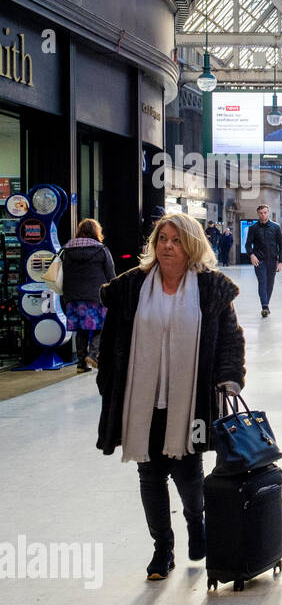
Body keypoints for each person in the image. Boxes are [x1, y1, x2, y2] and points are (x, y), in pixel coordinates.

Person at [96, 213, 245, 580]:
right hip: (141, 401)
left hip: (191, 399)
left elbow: (230, 339)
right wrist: (109, 381)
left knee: (189, 474)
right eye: (162, 239)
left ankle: (197, 523)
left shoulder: (210, 289)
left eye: (176, 240)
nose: (166, 246)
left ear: (191, 245)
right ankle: (162, 549)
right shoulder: (132, 287)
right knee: (150, 476)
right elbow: (111, 338)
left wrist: (229, 378)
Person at [60, 218, 117, 371]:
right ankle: (93, 353)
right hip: (96, 295)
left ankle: (81, 364)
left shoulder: (67, 250)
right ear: (96, 232)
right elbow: (111, 273)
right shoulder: (101, 249)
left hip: (73, 296)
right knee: (102, 326)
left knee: (81, 329)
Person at [245, 204, 282, 317]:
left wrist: (280, 262)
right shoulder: (253, 228)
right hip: (259, 260)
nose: (263, 215)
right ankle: (265, 306)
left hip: (272, 260)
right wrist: (252, 255)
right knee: (262, 282)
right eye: (261, 213)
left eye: (265, 212)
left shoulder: (276, 227)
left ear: (268, 213)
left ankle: (266, 303)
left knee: (270, 284)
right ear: (258, 214)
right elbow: (248, 245)